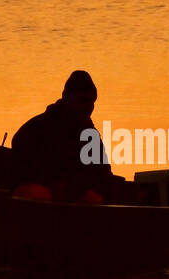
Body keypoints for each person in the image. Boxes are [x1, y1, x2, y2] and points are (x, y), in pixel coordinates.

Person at [11, 70, 121, 202]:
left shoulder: (91, 136)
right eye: (83, 100)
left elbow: (104, 173)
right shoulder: (38, 127)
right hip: (43, 193)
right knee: (38, 193)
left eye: (92, 102)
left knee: (94, 198)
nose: (89, 107)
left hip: (75, 196)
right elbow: (26, 168)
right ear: (67, 98)